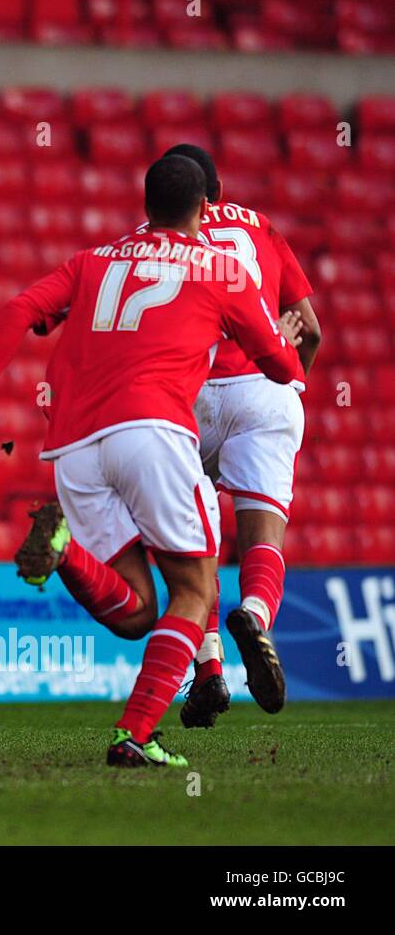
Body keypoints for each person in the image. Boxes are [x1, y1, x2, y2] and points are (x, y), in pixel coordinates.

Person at [0, 155, 303, 768]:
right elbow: (283, 367)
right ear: (205, 209)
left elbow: (20, 307)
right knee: (195, 587)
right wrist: (279, 334)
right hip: (152, 431)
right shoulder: (222, 269)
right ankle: (134, 734)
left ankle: (65, 548)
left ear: (144, 205)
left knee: (136, 611)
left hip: (72, 443)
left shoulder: (93, 260)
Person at [161, 143, 322, 729]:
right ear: (218, 191)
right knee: (263, 532)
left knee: (185, 537)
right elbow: (313, 328)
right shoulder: (263, 227)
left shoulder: (158, 234)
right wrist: (289, 375)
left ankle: (207, 667)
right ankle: (254, 612)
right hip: (265, 387)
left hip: (192, 390)